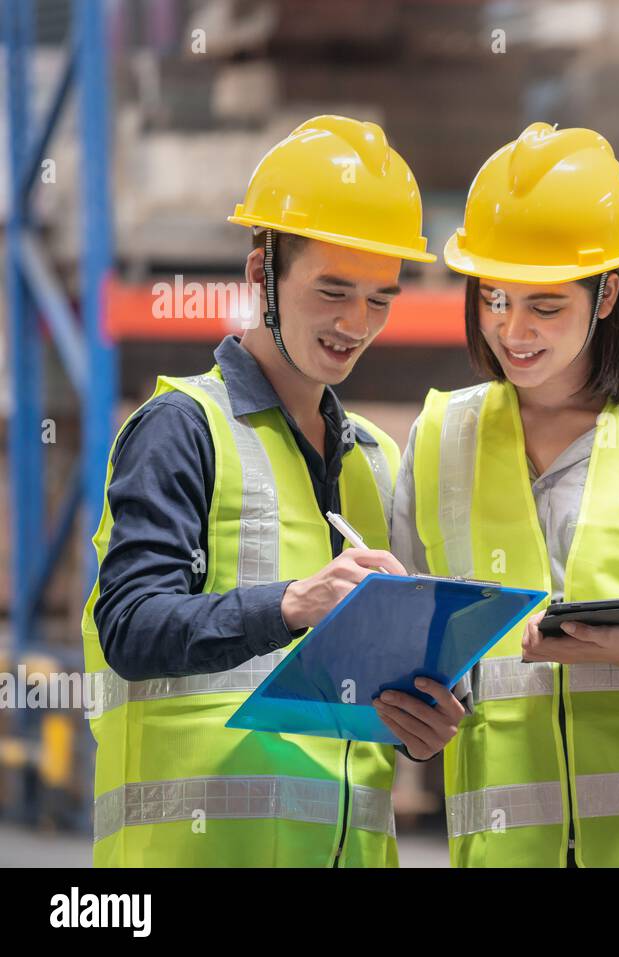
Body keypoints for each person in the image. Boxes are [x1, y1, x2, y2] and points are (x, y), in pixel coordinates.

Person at [82, 115, 462, 867]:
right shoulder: (182, 429)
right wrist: (294, 602)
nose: (356, 324)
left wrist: (426, 719)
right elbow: (129, 625)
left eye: (379, 299)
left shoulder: (376, 463)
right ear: (260, 277)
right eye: (333, 291)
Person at [391, 122, 619, 867]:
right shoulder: (441, 439)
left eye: (545, 306)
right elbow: (408, 647)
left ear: (605, 297)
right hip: (505, 846)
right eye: (493, 298)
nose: (511, 329)